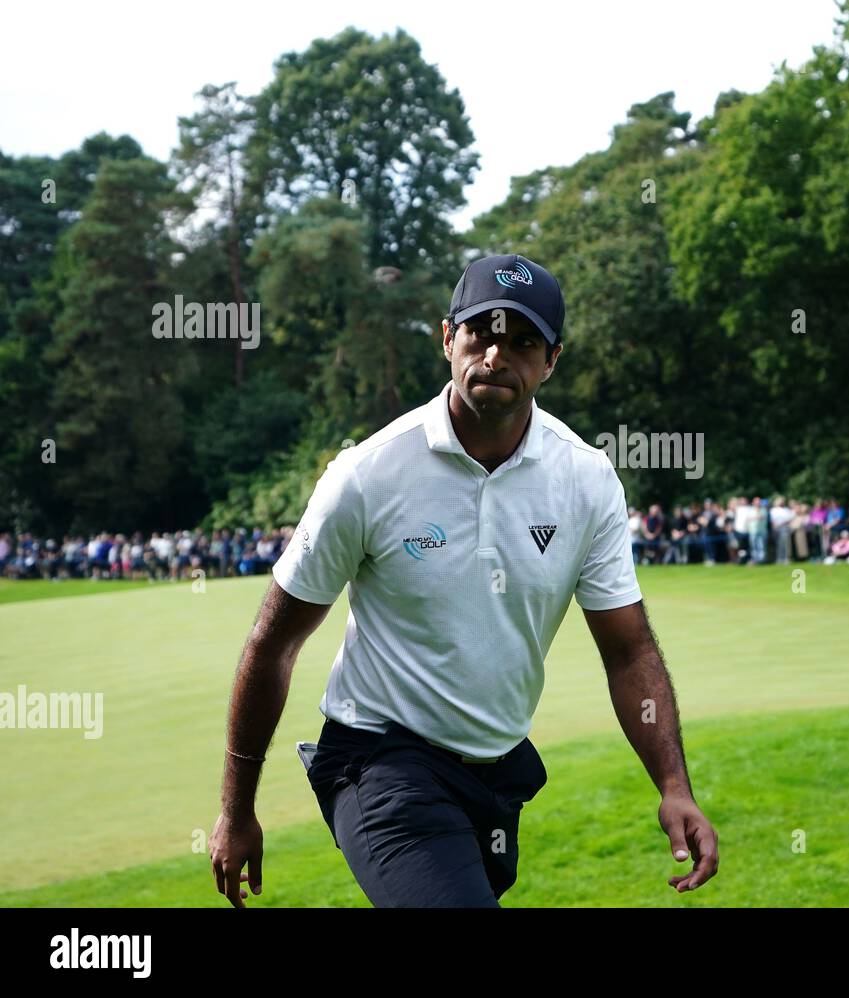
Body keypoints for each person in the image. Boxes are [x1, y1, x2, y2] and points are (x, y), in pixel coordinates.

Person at [209, 254, 717, 908]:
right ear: (449, 338)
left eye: (523, 341)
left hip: (494, 774)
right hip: (378, 760)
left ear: (551, 360)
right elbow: (271, 644)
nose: (497, 354)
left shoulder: (585, 481)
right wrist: (236, 808)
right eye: (482, 333)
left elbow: (630, 649)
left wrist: (674, 785)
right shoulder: (367, 475)